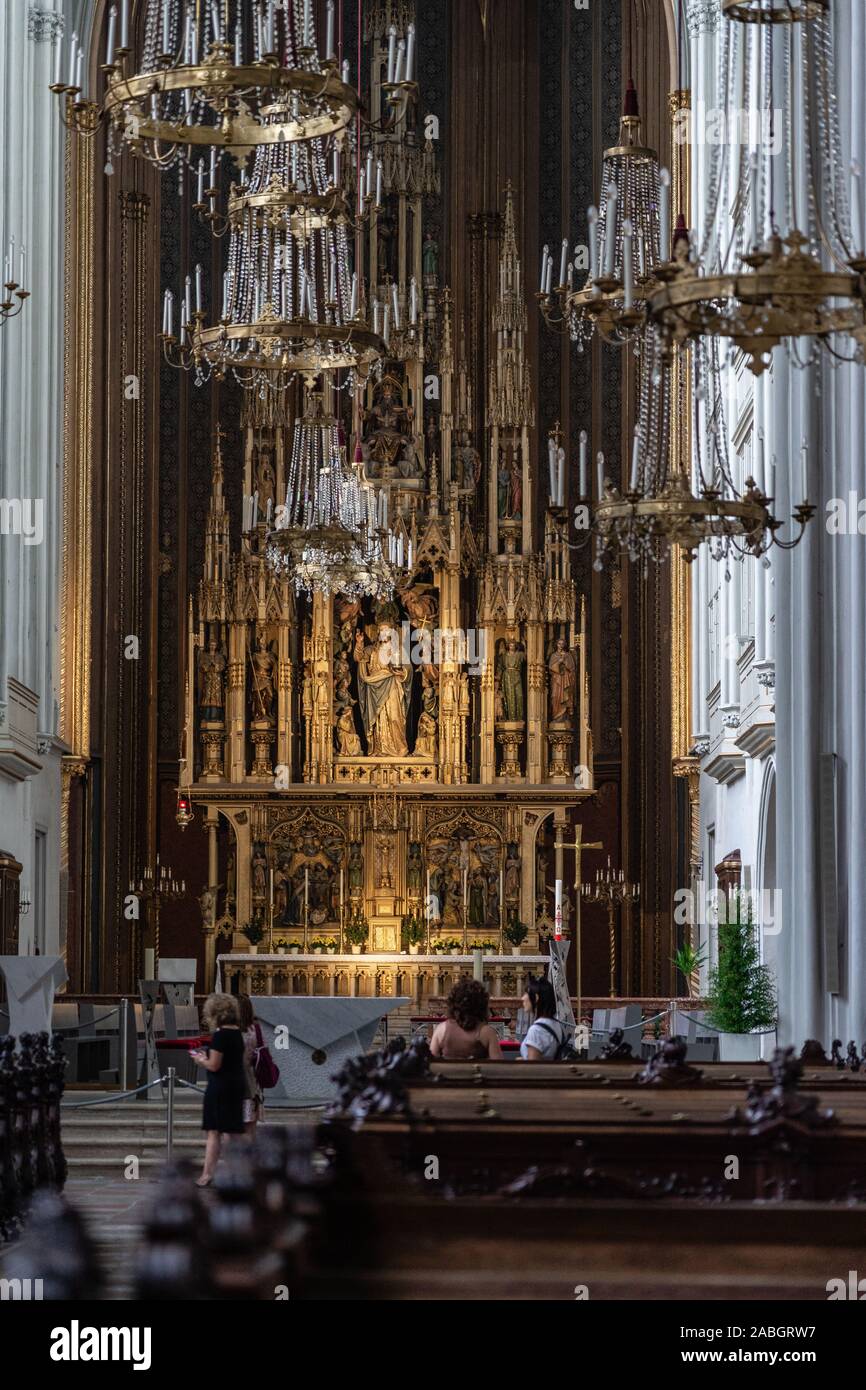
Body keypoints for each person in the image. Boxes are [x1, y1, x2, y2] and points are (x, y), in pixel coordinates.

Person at [190, 992, 246, 1186]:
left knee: (214, 1132)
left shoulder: (220, 1035)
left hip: (220, 1088)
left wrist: (200, 1060)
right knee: (232, 1133)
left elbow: (214, 1065)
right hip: (236, 1086)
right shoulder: (237, 1033)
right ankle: (235, 1173)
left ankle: (207, 1175)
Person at [430, 979, 502, 1061]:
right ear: (482, 1005)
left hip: (448, 1073)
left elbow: (431, 1062)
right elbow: (498, 1066)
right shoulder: (487, 1032)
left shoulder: (441, 1029)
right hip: (477, 1073)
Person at [237, 993, 264, 1138]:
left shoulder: (231, 1032)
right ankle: (249, 1158)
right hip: (252, 1084)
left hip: (236, 1084)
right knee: (250, 1130)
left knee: (233, 1132)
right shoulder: (255, 1030)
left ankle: (236, 1159)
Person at [519, 976, 565, 1060]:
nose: (522, 998)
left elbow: (533, 1067)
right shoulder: (555, 1024)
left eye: (526, 994)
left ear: (536, 998)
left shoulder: (536, 1030)